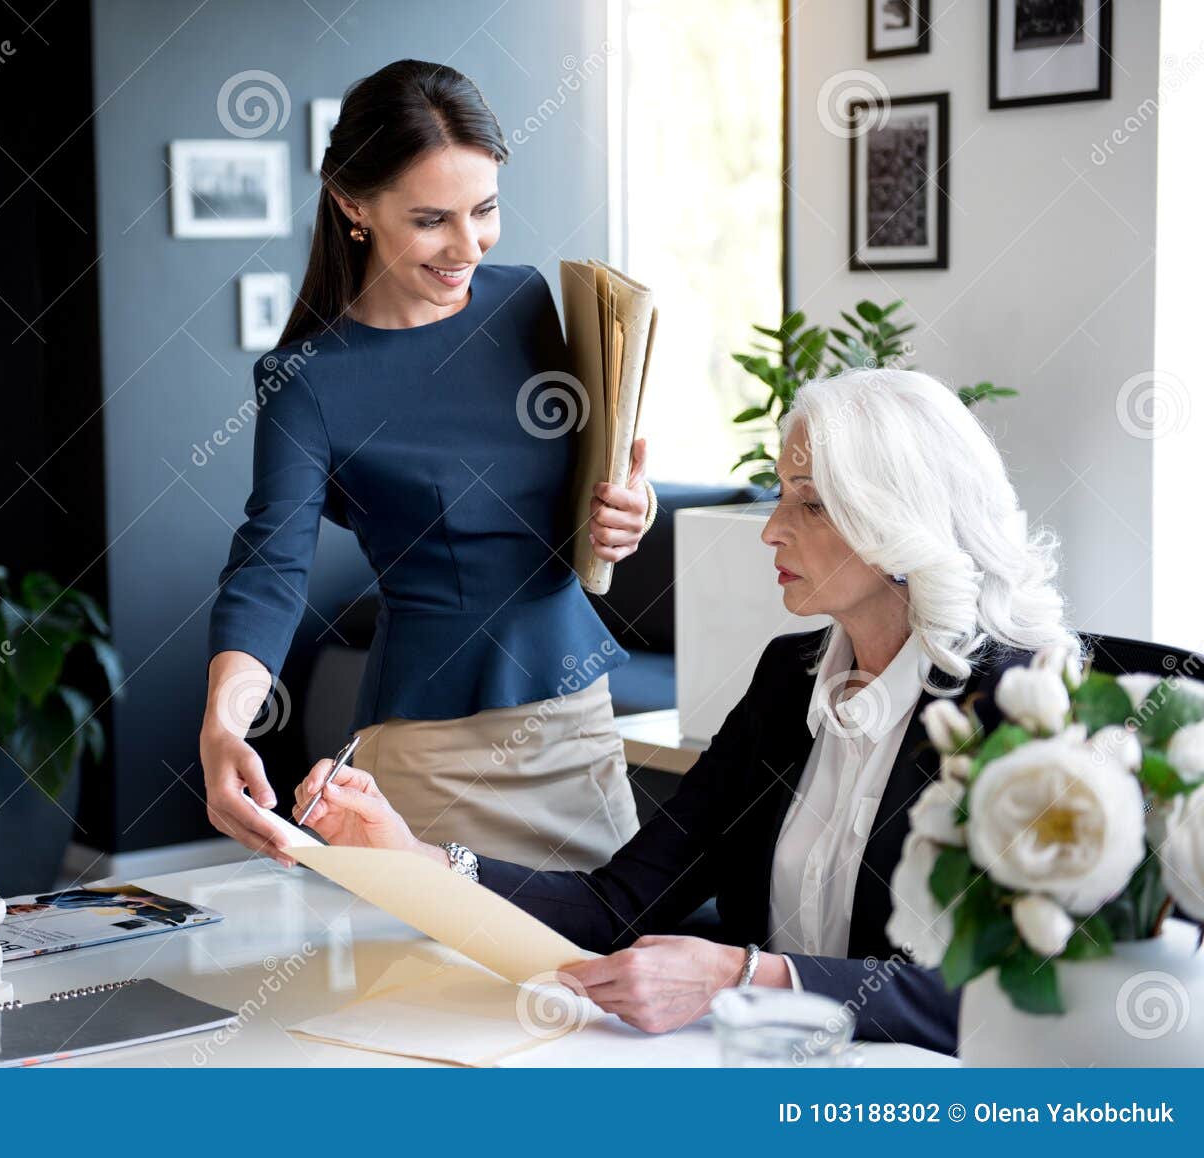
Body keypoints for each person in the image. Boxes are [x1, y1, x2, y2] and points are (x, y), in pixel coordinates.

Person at [283, 368, 1080, 1055]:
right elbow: (615, 906)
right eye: (780, 496)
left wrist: (746, 976)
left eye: (809, 505)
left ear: (897, 521)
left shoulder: (1018, 709)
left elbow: (1018, 990)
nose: (771, 528)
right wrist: (411, 854)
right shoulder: (787, 681)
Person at [202, 59, 655, 872]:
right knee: (449, 992)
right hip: (438, 753)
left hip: (580, 722)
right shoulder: (307, 383)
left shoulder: (523, 302)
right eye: (431, 220)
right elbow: (269, 569)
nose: (466, 245)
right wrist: (224, 726)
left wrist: (630, 506)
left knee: (613, 972)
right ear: (354, 205)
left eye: (484, 210)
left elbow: (584, 475)